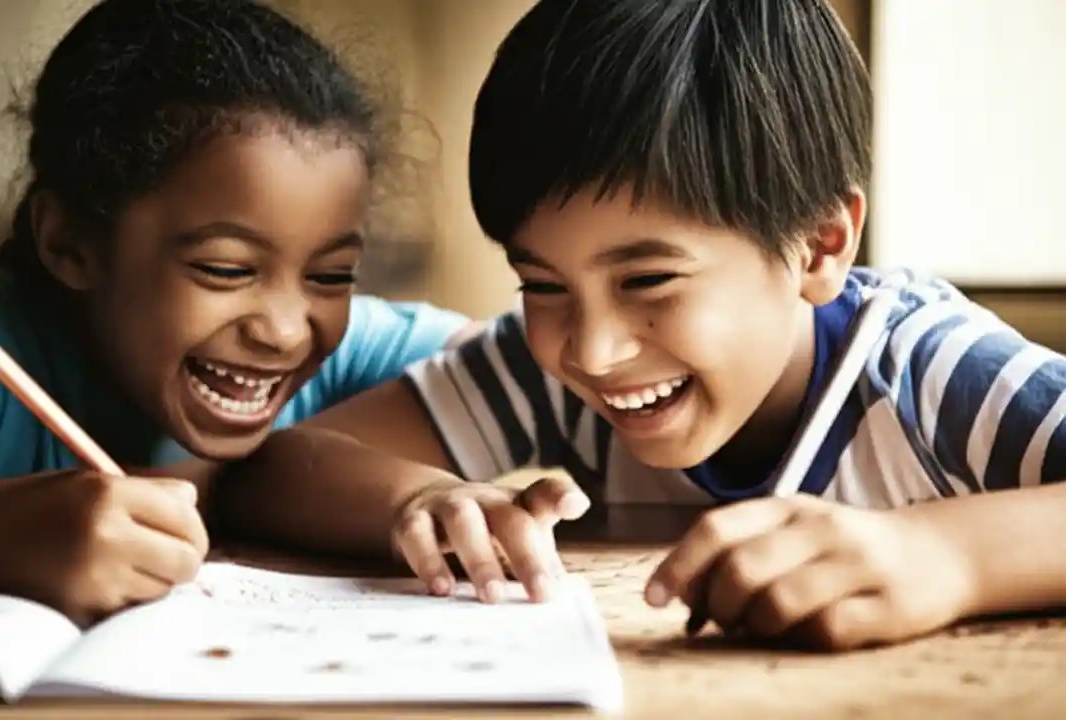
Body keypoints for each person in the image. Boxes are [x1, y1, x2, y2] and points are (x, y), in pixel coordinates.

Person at [296, 0, 1066, 651]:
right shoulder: (550, 375)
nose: (593, 350)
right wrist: (412, 500)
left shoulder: (933, 376)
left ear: (819, 246)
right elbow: (283, 466)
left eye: (649, 280)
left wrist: (946, 555)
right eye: (541, 283)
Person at [0, 0, 579, 625]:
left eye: (333, 273)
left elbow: (555, 368)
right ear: (70, 242)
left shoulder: (351, 347)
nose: (284, 327)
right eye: (225, 269)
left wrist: (430, 497)